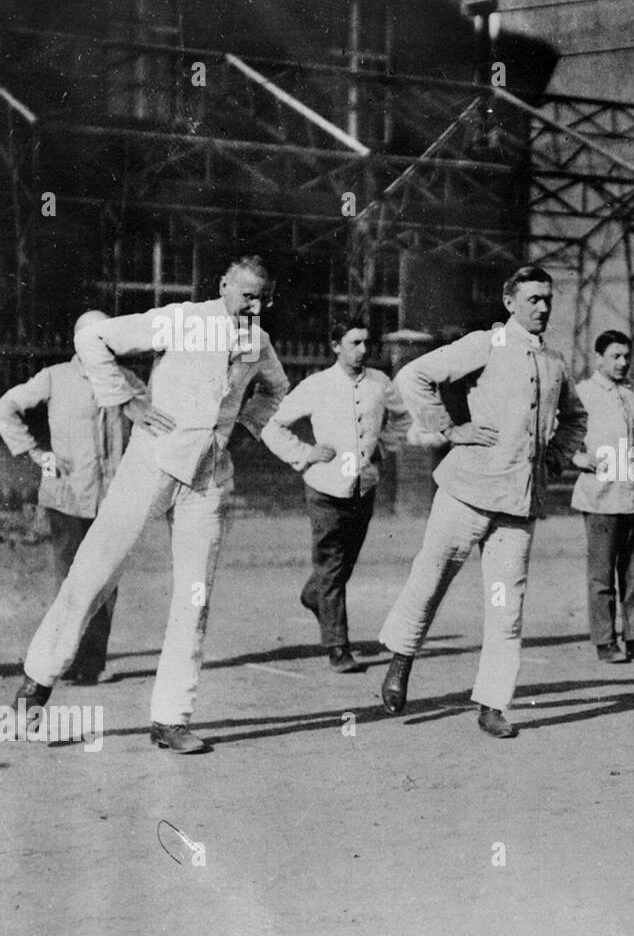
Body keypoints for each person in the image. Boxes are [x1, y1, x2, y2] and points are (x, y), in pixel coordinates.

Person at [10, 256, 289, 753]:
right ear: (224, 286)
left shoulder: (258, 341)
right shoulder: (181, 319)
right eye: (247, 295)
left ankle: (171, 719)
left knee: (194, 597)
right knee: (95, 571)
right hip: (151, 465)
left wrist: (240, 428)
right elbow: (93, 339)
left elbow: (278, 390)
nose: (255, 306)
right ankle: (37, 681)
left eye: (264, 298)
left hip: (207, 480)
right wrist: (123, 399)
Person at [375, 265, 587, 739]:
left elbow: (576, 416)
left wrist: (555, 456)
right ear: (509, 303)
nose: (543, 307)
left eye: (548, 299)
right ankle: (400, 664)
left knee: (507, 605)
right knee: (428, 581)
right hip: (467, 491)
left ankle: (492, 703)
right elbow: (415, 376)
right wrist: (449, 429)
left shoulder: (555, 361)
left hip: (519, 501)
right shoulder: (485, 344)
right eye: (533, 299)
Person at [0, 312, 142, 685]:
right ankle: (64, 658)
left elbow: (153, 425)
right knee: (71, 581)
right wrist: (35, 454)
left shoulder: (127, 383)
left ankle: (91, 663)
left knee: (105, 582)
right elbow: (6, 407)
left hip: (113, 501)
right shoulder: (55, 377)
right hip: (66, 497)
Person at [261, 321, 410, 674]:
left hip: (364, 487)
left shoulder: (380, 382)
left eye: (366, 342)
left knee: (343, 566)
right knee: (331, 564)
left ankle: (315, 597)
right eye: (354, 342)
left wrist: (383, 450)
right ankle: (337, 647)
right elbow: (272, 424)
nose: (362, 350)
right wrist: (305, 453)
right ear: (335, 346)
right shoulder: (317, 385)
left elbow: (403, 418)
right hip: (325, 487)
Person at [572, 330, 634, 663]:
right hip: (601, 494)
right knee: (602, 573)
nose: (623, 362)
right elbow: (559, 432)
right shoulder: (582, 393)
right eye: (615, 356)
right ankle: (605, 640)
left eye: (627, 356)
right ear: (599, 358)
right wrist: (580, 459)